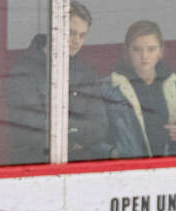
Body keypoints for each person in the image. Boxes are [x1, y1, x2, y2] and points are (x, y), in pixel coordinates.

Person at [7, 1, 112, 164]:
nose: (76, 41)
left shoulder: (87, 74)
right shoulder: (23, 72)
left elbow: (100, 127)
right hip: (35, 165)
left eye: (82, 35)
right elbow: (27, 129)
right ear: (54, 29)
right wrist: (72, 140)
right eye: (71, 33)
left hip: (80, 164)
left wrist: (63, 131)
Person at [105, 20, 176, 158]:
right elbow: (94, 134)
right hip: (129, 166)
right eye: (137, 49)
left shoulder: (174, 84)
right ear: (127, 51)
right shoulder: (109, 87)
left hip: (167, 163)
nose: (144, 56)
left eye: (151, 49)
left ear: (160, 51)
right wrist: (111, 152)